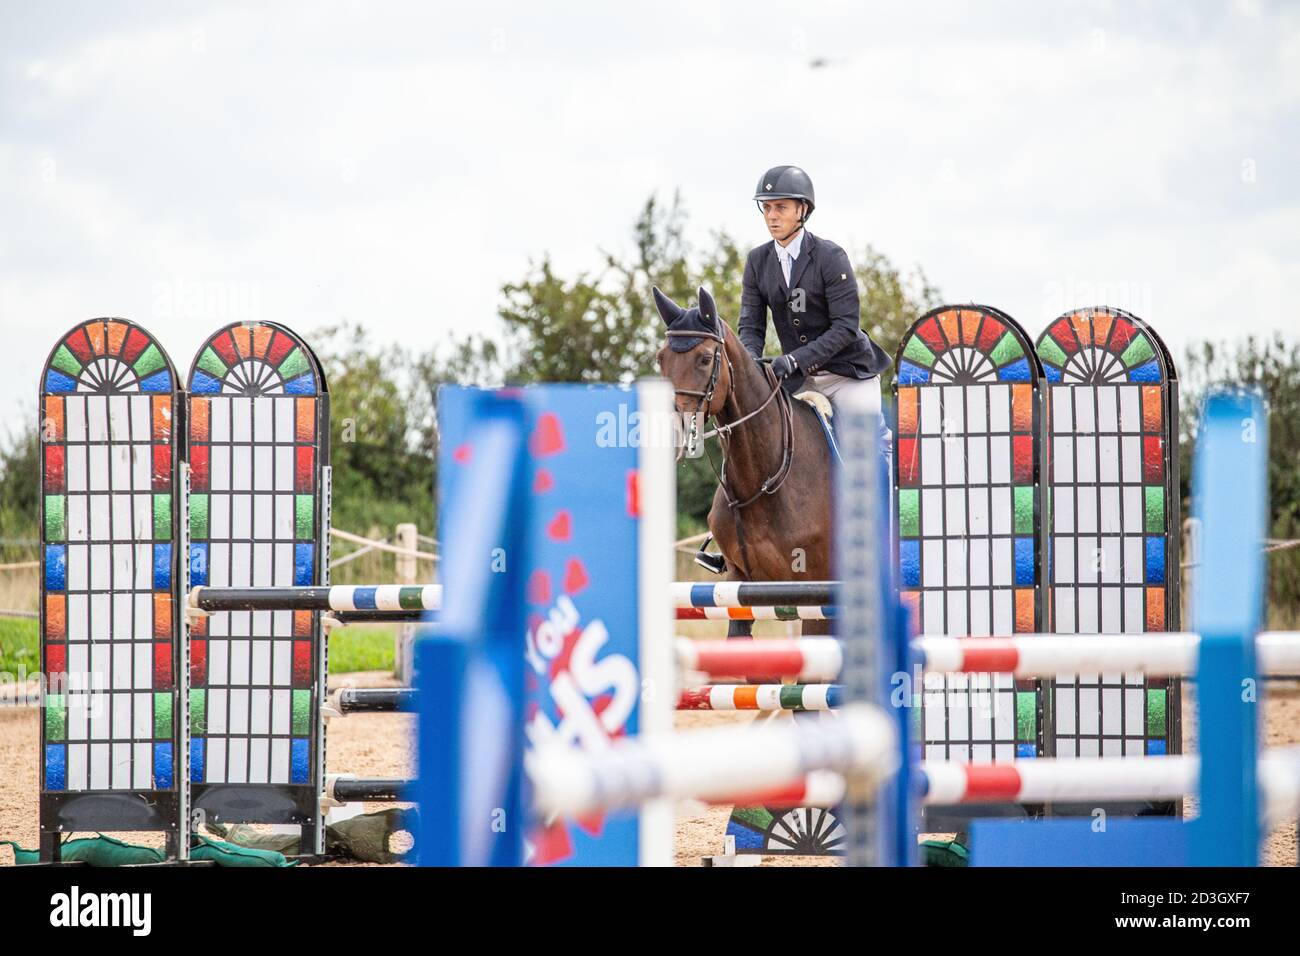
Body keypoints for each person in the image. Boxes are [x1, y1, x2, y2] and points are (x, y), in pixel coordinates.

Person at [739, 165, 892, 416]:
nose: (771, 216)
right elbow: (751, 327)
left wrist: (795, 360)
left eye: (781, 207)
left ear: (803, 209)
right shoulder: (757, 261)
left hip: (847, 375)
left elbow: (845, 326)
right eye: (766, 208)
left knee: (865, 444)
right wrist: (751, 364)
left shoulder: (830, 256)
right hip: (800, 379)